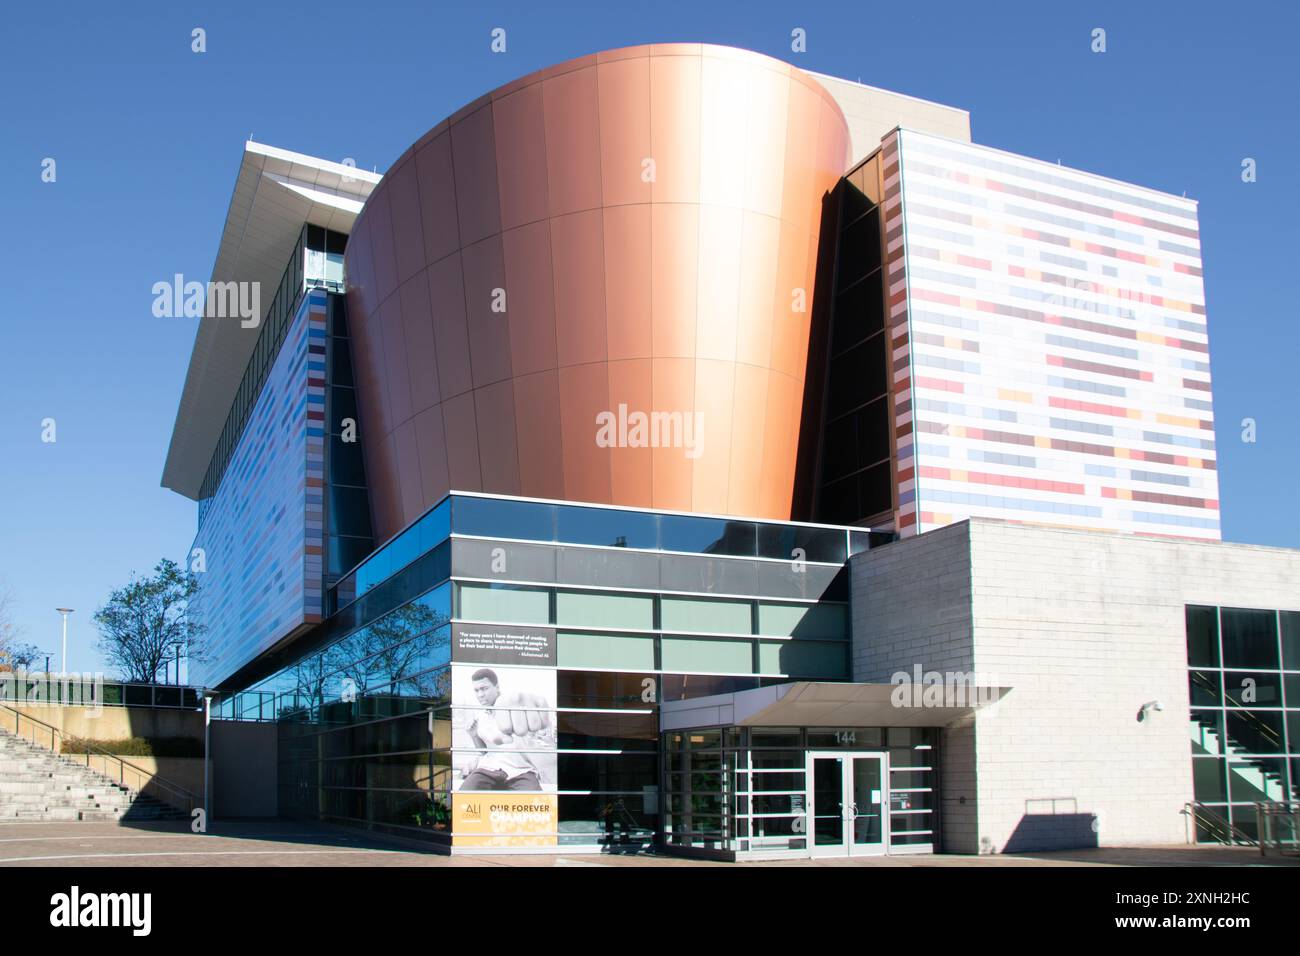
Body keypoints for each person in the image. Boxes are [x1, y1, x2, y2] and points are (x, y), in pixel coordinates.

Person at [459, 668, 553, 791]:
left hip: (520, 770)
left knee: (535, 803)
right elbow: (484, 751)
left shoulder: (513, 707)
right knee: (464, 795)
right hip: (489, 769)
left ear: (497, 687)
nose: (480, 695)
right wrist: (474, 735)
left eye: (484, 689)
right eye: (476, 690)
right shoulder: (480, 716)